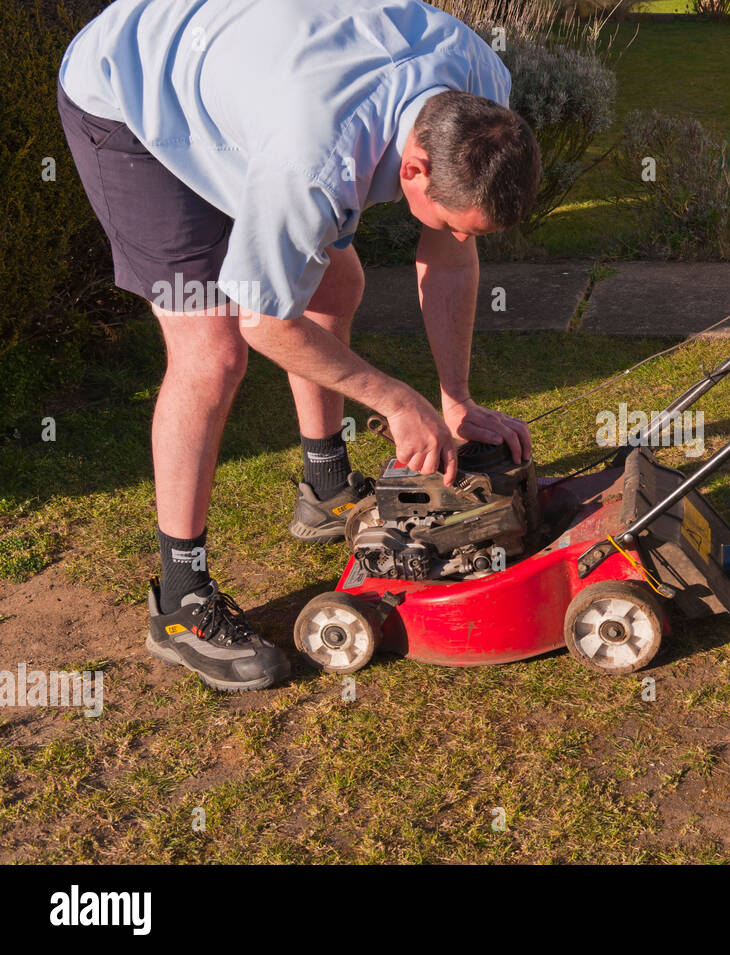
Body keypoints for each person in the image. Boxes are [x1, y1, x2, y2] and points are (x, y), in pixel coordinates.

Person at [57, 0, 538, 692]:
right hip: (132, 91)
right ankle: (179, 602)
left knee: (335, 283)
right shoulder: (316, 158)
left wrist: (455, 398)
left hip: (256, 82)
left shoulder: (481, 85)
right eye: (452, 219)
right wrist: (396, 400)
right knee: (214, 348)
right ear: (413, 168)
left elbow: (451, 252)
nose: (459, 235)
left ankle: (326, 484)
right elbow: (265, 321)